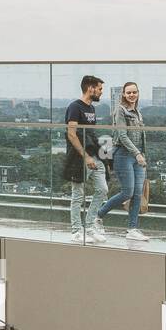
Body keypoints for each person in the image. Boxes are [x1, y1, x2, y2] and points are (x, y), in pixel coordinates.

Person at [98, 81, 149, 241]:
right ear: (124, 95)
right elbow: (122, 135)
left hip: (138, 156)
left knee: (137, 194)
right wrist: (137, 154)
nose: (132, 95)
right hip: (123, 155)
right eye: (129, 93)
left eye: (134, 92)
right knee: (127, 191)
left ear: (138, 93)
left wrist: (143, 154)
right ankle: (97, 216)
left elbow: (141, 137)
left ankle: (132, 229)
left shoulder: (137, 113)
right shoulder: (120, 111)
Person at [63, 75, 108, 243]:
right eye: (100, 89)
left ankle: (89, 226)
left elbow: (91, 134)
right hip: (79, 158)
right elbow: (71, 134)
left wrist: (103, 156)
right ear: (90, 88)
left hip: (94, 156)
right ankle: (76, 230)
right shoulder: (75, 107)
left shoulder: (91, 109)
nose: (101, 92)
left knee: (102, 189)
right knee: (78, 194)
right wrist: (86, 156)